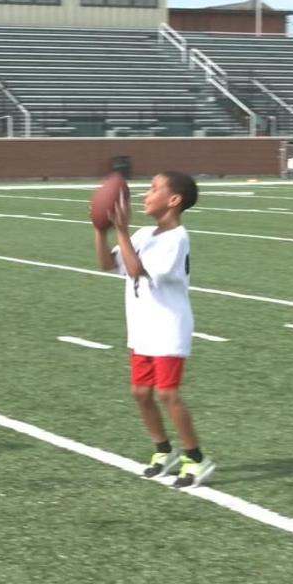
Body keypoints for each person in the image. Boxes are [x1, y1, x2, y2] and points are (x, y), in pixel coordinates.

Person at [94, 171, 216, 488]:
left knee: (167, 393)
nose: (145, 195)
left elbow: (137, 271)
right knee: (140, 392)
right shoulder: (144, 233)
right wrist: (100, 229)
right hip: (143, 325)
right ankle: (164, 450)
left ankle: (197, 458)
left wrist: (120, 229)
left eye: (153, 189)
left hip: (169, 326)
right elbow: (108, 264)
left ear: (173, 201)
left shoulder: (177, 239)